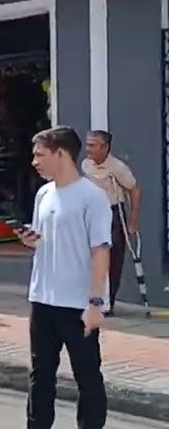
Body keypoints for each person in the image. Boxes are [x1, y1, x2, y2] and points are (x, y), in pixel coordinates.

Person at [13, 126, 111, 429]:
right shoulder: (43, 195)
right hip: (43, 298)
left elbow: (101, 251)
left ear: (61, 154)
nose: (34, 160)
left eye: (40, 154)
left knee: (87, 376)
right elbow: (43, 242)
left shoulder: (92, 197)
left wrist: (96, 302)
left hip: (78, 304)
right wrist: (30, 241)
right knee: (41, 375)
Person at [81, 130, 140, 314]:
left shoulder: (117, 167)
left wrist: (133, 219)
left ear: (105, 147)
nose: (88, 149)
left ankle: (108, 303)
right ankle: (92, 299)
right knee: (90, 258)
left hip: (113, 214)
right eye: (87, 144)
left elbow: (135, 190)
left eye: (93, 145)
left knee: (112, 260)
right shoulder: (86, 165)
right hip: (91, 214)